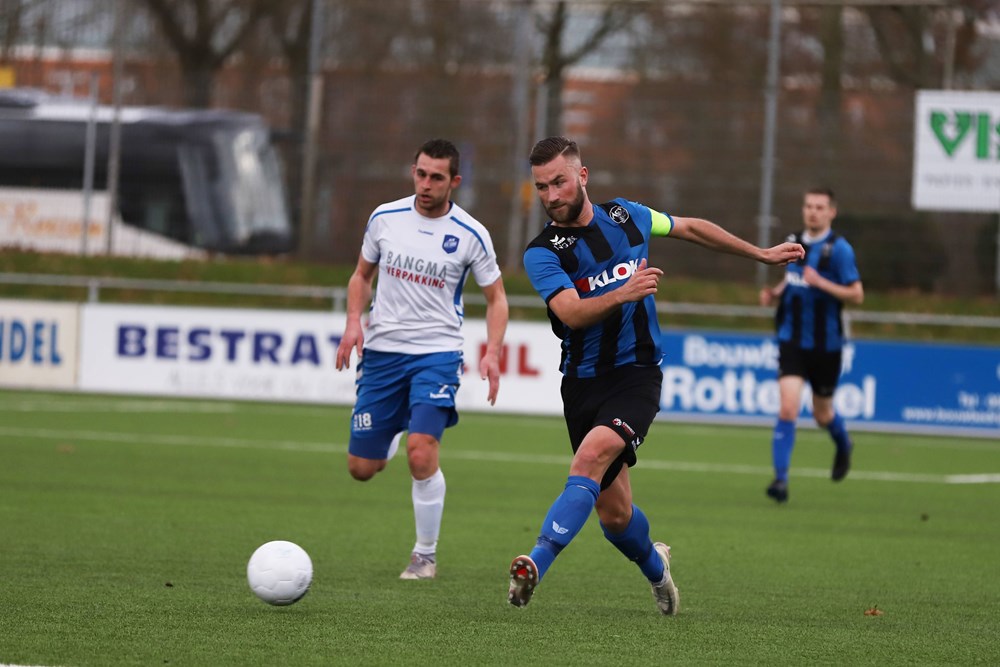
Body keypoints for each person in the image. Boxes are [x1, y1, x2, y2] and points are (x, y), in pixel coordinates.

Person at [507, 136, 805, 613]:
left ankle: (535, 563)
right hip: (582, 383)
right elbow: (571, 312)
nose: (551, 196)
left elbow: (689, 228)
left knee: (589, 458)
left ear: (582, 176)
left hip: (637, 376)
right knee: (616, 515)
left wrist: (762, 255)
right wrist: (623, 293)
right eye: (542, 187)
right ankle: (657, 568)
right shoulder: (544, 252)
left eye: (559, 182)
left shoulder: (626, 216)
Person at [335, 138, 509, 580]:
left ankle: (424, 555)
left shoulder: (471, 234)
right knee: (361, 469)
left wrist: (492, 352)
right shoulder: (384, 218)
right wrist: (354, 322)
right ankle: (390, 433)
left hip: (437, 353)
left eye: (436, 177)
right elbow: (361, 276)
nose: (426, 184)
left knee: (421, 451)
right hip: (383, 354)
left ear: (455, 181)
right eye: (420, 173)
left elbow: (497, 298)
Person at [759, 187, 863, 504]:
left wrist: (823, 284)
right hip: (791, 341)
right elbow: (793, 277)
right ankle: (780, 480)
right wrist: (776, 293)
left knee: (822, 415)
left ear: (832, 212)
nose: (813, 212)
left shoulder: (839, 250)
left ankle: (844, 445)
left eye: (820, 207)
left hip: (826, 347)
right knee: (788, 407)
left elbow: (857, 295)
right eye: (808, 206)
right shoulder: (795, 240)